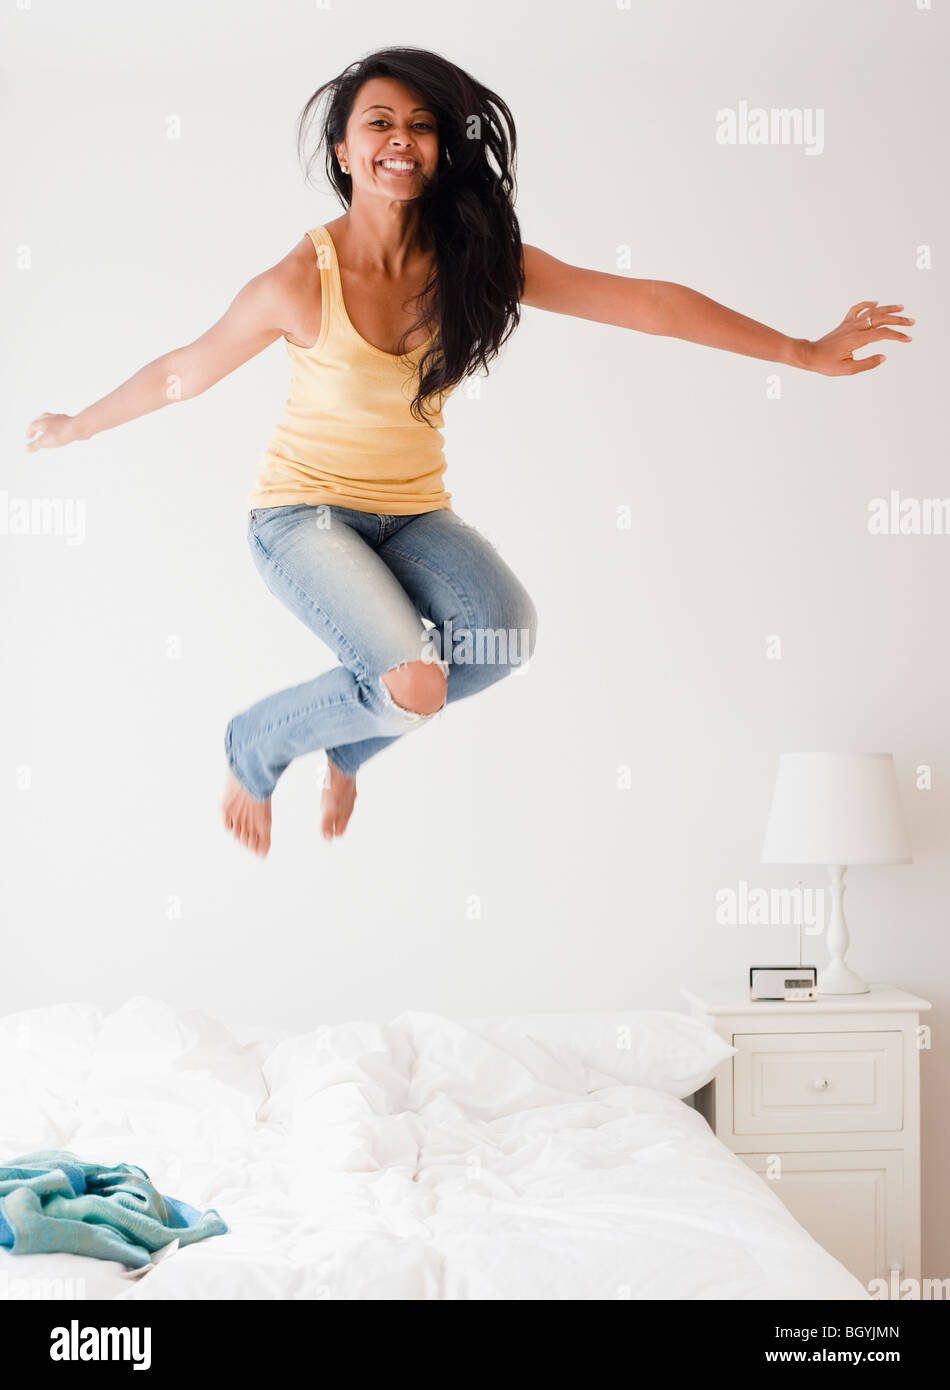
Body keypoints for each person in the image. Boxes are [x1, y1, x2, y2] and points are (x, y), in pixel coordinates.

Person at [25, 46, 914, 859]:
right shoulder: (299, 281)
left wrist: (801, 351)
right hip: (304, 518)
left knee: (499, 640)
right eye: (379, 122)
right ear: (342, 151)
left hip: (412, 515)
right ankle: (257, 741)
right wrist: (76, 426)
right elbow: (186, 369)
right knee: (411, 680)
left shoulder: (478, 263)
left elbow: (647, 302)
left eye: (421, 125)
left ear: (443, 151)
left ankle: (351, 743)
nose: (401, 140)